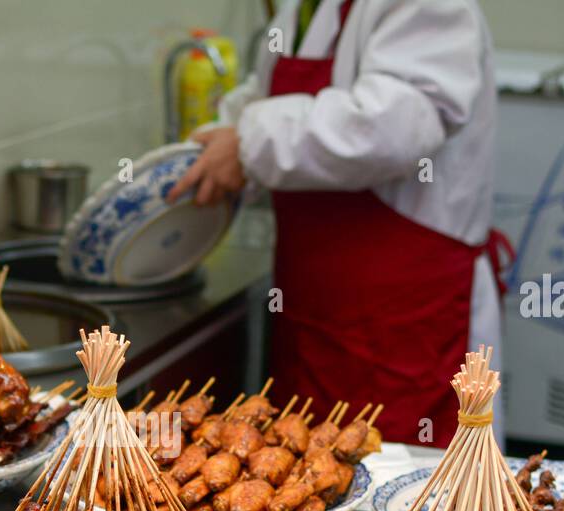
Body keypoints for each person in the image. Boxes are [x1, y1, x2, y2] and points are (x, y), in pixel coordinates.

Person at [168, 0, 509, 447]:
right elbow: (268, 95)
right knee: (304, 479)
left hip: (405, 316)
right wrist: (218, 142)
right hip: (315, 311)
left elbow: (397, 125)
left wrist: (250, 143)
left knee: (406, 496)